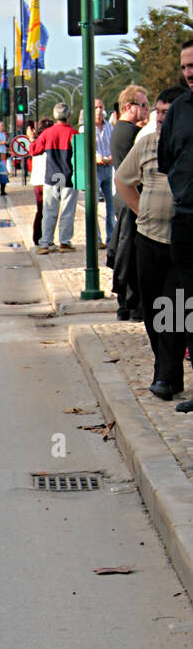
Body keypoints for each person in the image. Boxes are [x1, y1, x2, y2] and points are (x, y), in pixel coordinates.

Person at [116, 87, 183, 399]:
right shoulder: (147, 144)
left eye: (168, 113)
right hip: (148, 238)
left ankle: (166, 377)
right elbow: (122, 179)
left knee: (174, 307)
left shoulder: (186, 145)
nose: (161, 118)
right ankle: (166, 370)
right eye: (158, 112)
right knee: (154, 307)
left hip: (181, 240)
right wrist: (142, 210)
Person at [159, 41, 193, 412]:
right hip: (186, 220)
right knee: (188, 303)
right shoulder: (180, 109)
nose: (189, 72)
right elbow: (168, 161)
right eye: (185, 66)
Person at [109, 85, 150, 319]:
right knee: (132, 253)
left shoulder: (120, 130)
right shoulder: (132, 134)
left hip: (123, 197)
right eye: (143, 105)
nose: (146, 110)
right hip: (131, 199)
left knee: (127, 250)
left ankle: (127, 303)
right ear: (129, 107)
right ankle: (132, 305)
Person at [31, 104, 78, 254]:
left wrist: (32, 137)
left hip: (51, 177)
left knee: (49, 210)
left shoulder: (47, 133)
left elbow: (33, 150)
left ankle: (45, 243)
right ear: (68, 115)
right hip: (68, 177)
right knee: (67, 211)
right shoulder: (73, 133)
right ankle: (64, 242)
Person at [28, 117, 53, 247]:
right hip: (44, 180)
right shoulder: (45, 142)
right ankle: (41, 237)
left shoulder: (37, 142)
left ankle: (40, 236)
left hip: (38, 180)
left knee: (42, 210)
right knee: (46, 211)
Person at [94, 99, 114, 247]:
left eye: (101, 107)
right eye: (96, 107)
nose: (99, 110)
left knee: (111, 205)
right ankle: (97, 238)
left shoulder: (109, 127)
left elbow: (113, 143)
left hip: (109, 168)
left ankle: (111, 237)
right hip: (95, 169)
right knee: (93, 205)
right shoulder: (86, 128)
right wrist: (96, 156)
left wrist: (113, 155)